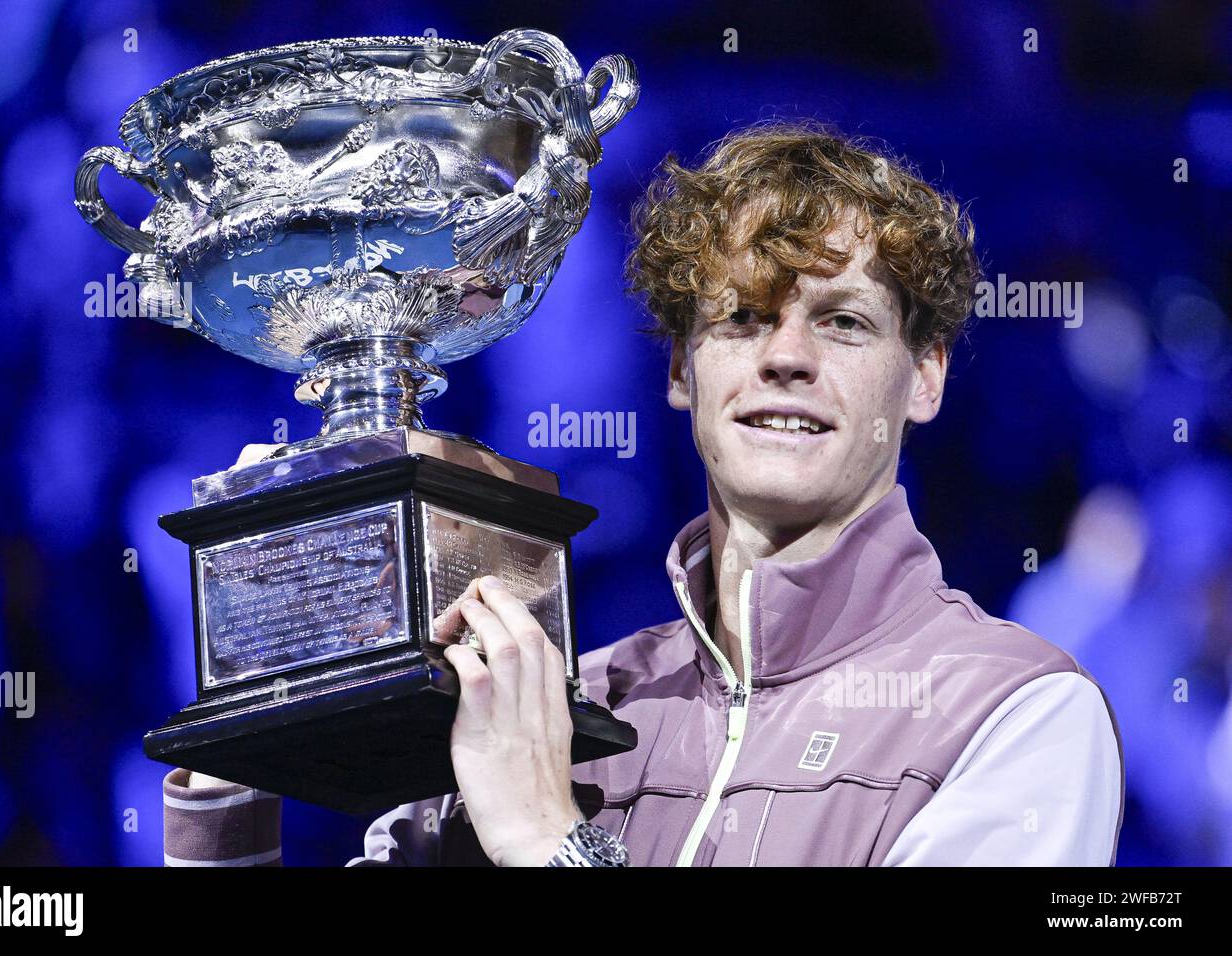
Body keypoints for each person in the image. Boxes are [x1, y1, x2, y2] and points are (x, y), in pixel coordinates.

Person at [161, 121, 1124, 867]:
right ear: (681, 370)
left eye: (841, 322)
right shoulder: (546, 702)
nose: (785, 356)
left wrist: (551, 840)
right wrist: (230, 794)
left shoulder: (1017, 712)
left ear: (925, 377)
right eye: (742, 319)